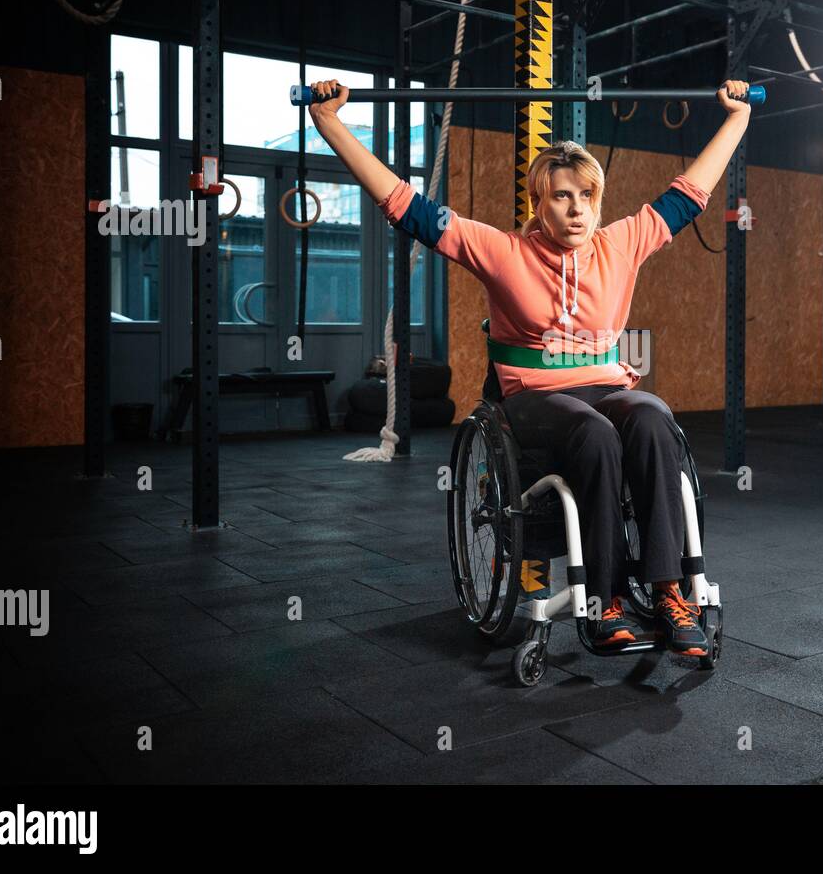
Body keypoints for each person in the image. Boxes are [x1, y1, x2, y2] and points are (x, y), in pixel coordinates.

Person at [309, 78, 751, 656]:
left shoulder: (622, 243)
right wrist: (330, 125)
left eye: (587, 197)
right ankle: (605, 599)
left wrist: (737, 119)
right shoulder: (502, 252)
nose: (576, 210)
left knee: (650, 413)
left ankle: (670, 590)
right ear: (538, 204)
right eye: (562, 197)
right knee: (593, 433)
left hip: (606, 388)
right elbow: (404, 206)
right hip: (532, 401)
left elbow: (691, 191)